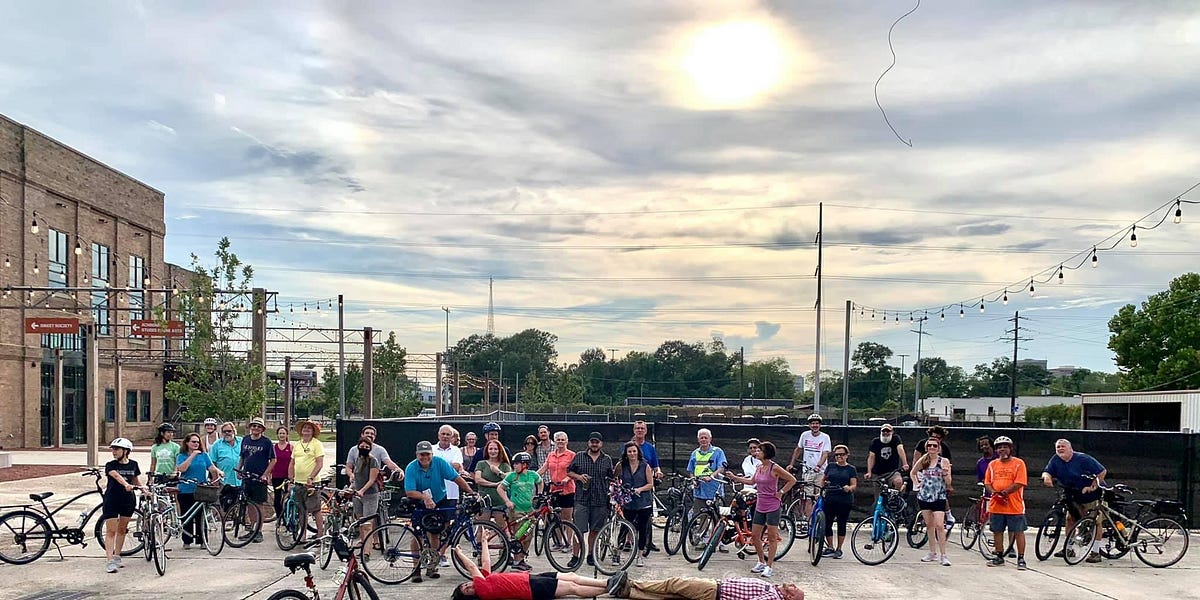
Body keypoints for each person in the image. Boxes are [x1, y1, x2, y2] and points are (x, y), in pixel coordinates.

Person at [450, 531, 615, 600]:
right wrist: (459, 553)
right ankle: (610, 588)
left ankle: (607, 583)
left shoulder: (484, 583)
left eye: (466, 584)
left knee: (571, 577)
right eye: (467, 589)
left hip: (529, 579)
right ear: (471, 597)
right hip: (531, 588)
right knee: (572, 588)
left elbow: (485, 564)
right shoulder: (483, 590)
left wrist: (485, 542)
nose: (470, 584)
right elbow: (473, 568)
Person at [405, 440, 474, 581]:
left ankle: (431, 566)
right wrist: (424, 497)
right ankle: (416, 568)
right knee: (416, 535)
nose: (425, 457)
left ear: (432, 454)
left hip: (439, 499)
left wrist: (470, 491)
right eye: (421, 454)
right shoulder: (411, 467)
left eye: (428, 454)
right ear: (416, 455)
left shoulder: (439, 463)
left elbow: (456, 478)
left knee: (435, 534)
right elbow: (410, 491)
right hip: (419, 501)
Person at [726, 441, 796, 578]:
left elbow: (792, 480)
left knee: (771, 537)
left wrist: (781, 492)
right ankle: (761, 562)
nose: (756, 452)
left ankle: (769, 566)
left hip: (773, 506)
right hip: (760, 504)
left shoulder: (774, 468)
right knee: (755, 535)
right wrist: (735, 478)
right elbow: (752, 482)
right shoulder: (759, 467)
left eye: (760, 450)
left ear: (766, 453)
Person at [1041, 438, 1107, 563]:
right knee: (1070, 519)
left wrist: (1092, 486)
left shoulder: (1083, 459)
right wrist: (1047, 478)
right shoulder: (1055, 459)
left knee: (1096, 521)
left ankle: (1095, 552)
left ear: (1070, 448)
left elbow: (1102, 471)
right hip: (1072, 493)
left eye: (1063, 446)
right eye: (1058, 447)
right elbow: (1047, 472)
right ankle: (1069, 548)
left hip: (1090, 494)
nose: (1060, 449)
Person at [569, 431, 615, 567]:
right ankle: (575, 556)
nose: (594, 444)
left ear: (601, 444)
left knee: (595, 531)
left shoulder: (607, 459)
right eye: (592, 442)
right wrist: (578, 477)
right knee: (578, 530)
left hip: (600, 500)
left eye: (597, 442)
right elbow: (569, 471)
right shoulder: (579, 456)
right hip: (582, 499)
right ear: (588, 443)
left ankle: (591, 555)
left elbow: (611, 478)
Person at [984, 436, 1027, 570]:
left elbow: (1020, 482)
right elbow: (987, 482)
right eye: (999, 447)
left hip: (1014, 505)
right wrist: (994, 493)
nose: (1002, 449)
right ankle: (999, 556)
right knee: (997, 531)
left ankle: (1021, 558)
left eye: (1005, 447)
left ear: (1010, 448)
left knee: (1018, 531)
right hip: (996, 505)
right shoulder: (992, 464)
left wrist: (1005, 493)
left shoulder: (1019, 463)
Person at [101, 437, 143, 573]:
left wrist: (144, 490)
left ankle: (117, 556)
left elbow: (136, 480)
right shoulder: (110, 465)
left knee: (122, 529)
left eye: (117, 449)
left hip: (128, 500)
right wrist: (126, 485)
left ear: (126, 451)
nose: (114, 452)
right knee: (111, 530)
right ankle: (109, 560)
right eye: (113, 449)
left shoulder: (134, 464)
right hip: (112, 499)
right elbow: (116, 476)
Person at [911, 435, 953, 566]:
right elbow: (913, 472)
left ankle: (943, 555)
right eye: (930, 445)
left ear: (939, 448)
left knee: (940, 526)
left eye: (935, 445)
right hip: (924, 496)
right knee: (929, 525)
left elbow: (948, 482)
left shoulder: (944, 461)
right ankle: (932, 552)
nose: (932, 448)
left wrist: (945, 473)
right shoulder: (924, 460)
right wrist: (916, 483)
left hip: (939, 496)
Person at [176, 432, 223, 550]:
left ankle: (202, 540)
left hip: (200, 489)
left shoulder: (204, 455)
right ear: (187, 443)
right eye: (193, 442)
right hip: (186, 489)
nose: (196, 444)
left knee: (201, 516)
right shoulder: (181, 455)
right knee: (187, 516)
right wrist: (192, 456)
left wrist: (218, 472)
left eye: (197, 442)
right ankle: (187, 540)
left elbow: (211, 467)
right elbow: (182, 468)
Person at [498, 451, 543, 571]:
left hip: (529, 510)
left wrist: (539, 494)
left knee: (528, 536)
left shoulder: (532, 475)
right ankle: (517, 561)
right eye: (514, 464)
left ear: (525, 464)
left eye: (517, 463)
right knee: (519, 535)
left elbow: (540, 482)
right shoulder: (512, 476)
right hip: (516, 510)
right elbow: (500, 488)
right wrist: (507, 501)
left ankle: (521, 558)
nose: (514, 466)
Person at [609, 574, 805, 600]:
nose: (794, 586)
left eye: (795, 590)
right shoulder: (773, 588)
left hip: (715, 591)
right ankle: (630, 592)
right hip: (715, 589)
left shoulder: (772, 598)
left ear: (788, 597)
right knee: (670, 595)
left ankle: (631, 584)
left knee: (674, 583)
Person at [616, 442, 655, 567]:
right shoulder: (622, 465)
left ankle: (640, 555)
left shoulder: (645, 466)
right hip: (628, 502)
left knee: (642, 529)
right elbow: (615, 478)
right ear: (626, 454)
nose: (632, 454)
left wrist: (640, 489)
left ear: (637, 452)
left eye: (634, 451)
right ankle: (618, 552)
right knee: (624, 527)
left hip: (643, 502)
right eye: (629, 452)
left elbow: (650, 484)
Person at [237, 416, 276, 543]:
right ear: (250, 427)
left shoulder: (266, 442)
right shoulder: (245, 440)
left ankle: (259, 531)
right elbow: (242, 457)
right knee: (249, 504)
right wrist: (239, 470)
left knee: (259, 504)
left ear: (262, 429)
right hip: (247, 477)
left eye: (258, 426)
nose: (256, 428)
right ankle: (252, 530)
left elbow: (273, 460)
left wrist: (265, 474)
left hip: (259, 478)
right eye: (254, 426)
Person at [290, 419, 326, 541]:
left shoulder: (317, 444)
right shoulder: (297, 444)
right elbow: (292, 462)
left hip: (312, 483)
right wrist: (291, 479)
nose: (306, 430)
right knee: (301, 510)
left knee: (315, 509)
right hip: (298, 482)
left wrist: (311, 477)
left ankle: (320, 534)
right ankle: (303, 535)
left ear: (312, 431)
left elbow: (319, 463)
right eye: (304, 428)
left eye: (309, 428)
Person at [820, 444, 857, 560]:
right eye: (836, 455)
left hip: (844, 500)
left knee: (841, 523)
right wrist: (823, 486)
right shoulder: (830, 466)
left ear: (847, 455)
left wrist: (849, 488)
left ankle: (839, 548)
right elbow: (823, 479)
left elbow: (854, 485)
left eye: (842, 454)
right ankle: (830, 547)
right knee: (827, 523)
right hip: (830, 498)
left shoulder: (851, 469)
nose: (839, 457)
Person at [538, 431, 577, 529]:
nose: (560, 442)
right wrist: (530, 476)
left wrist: (568, 478)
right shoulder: (551, 455)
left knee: (567, 518)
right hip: (554, 490)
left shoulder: (572, 455)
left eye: (562, 440)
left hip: (567, 490)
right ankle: (559, 542)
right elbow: (543, 469)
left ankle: (568, 542)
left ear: (567, 441)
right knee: (556, 518)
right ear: (554, 442)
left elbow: (576, 471)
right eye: (558, 440)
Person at [350, 436, 381, 558]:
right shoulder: (358, 459)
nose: (364, 449)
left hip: (370, 495)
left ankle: (367, 552)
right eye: (362, 446)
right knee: (360, 522)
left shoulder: (373, 461)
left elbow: (372, 480)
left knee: (367, 524)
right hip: (357, 495)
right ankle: (363, 545)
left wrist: (362, 490)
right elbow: (356, 478)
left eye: (367, 447)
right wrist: (352, 488)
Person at [687, 429, 727, 518]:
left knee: (716, 517)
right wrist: (693, 480)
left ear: (710, 439)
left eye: (706, 437)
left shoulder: (718, 451)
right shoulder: (694, 453)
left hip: (715, 491)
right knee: (699, 516)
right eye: (701, 438)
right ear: (698, 440)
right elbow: (691, 471)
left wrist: (711, 476)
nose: (703, 440)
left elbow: (721, 468)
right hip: (699, 492)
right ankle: (701, 531)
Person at [474, 439, 512, 533]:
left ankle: (505, 546)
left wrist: (498, 472)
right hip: (484, 500)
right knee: (482, 528)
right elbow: (478, 479)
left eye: (495, 449)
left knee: (502, 528)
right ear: (487, 450)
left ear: (499, 450)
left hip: (499, 501)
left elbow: (509, 478)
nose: (493, 451)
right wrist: (494, 484)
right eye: (490, 449)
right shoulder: (481, 464)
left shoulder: (505, 465)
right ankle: (480, 546)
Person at [209, 421, 243, 509]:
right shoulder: (217, 445)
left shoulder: (242, 441)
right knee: (224, 506)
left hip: (241, 480)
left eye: (229, 431)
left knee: (242, 506)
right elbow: (212, 463)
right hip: (225, 481)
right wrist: (215, 478)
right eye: (224, 431)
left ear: (234, 431)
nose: (227, 433)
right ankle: (224, 522)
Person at [865, 424, 908, 492]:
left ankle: (897, 498)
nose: (885, 433)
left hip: (892, 472)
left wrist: (905, 463)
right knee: (878, 498)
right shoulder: (875, 441)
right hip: (878, 473)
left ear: (892, 432)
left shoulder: (895, 439)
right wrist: (869, 472)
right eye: (883, 431)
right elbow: (871, 457)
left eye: (888, 431)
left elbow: (900, 449)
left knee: (898, 481)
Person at [435, 425, 466, 510]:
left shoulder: (456, 450)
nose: (445, 436)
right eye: (443, 434)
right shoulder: (431, 449)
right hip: (433, 491)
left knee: (447, 520)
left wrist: (436, 467)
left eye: (448, 434)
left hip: (451, 492)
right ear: (438, 435)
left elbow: (456, 467)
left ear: (451, 437)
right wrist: (448, 466)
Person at [271, 425, 294, 521]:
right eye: (280, 433)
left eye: (283, 433)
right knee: (277, 499)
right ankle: (280, 518)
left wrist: (292, 477)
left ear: (287, 435)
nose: (282, 435)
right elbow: (270, 462)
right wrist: (268, 475)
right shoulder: (274, 447)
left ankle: (288, 517)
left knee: (288, 497)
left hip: (287, 476)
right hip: (276, 476)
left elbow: (294, 462)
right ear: (277, 435)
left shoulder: (291, 447)